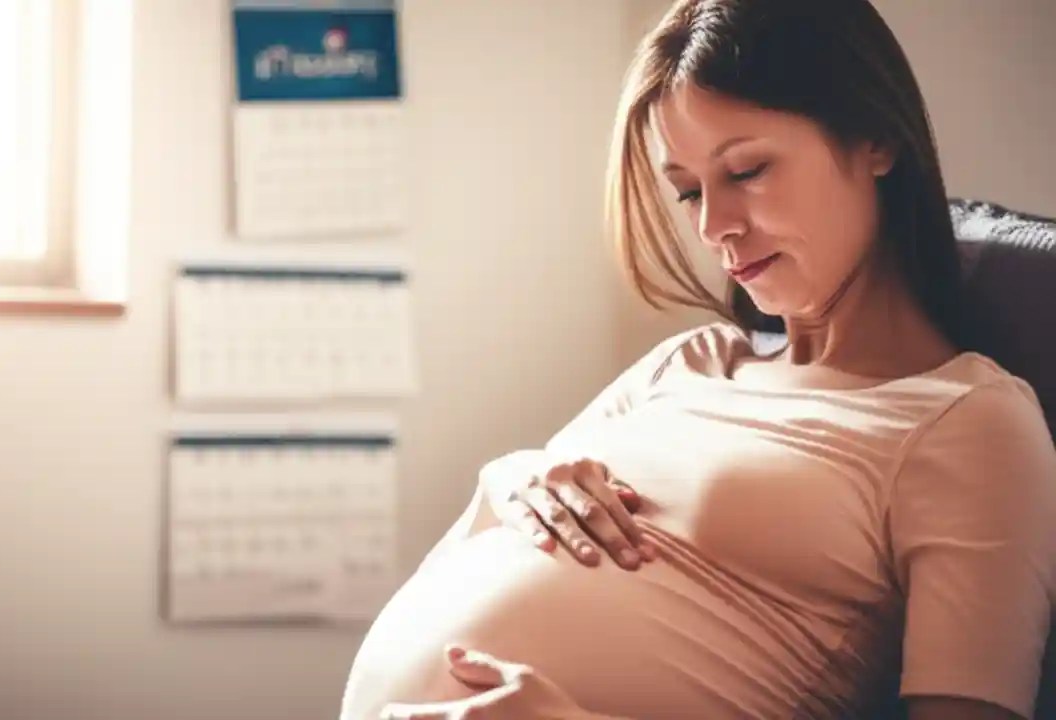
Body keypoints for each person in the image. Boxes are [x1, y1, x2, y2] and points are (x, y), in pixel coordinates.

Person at [338, 0, 1056, 718]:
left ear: (875, 137)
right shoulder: (687, 362)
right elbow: (525, 499)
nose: (715, 227)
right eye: (688, 190)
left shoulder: (967, 423)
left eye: (746, 170)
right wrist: (516, 477)